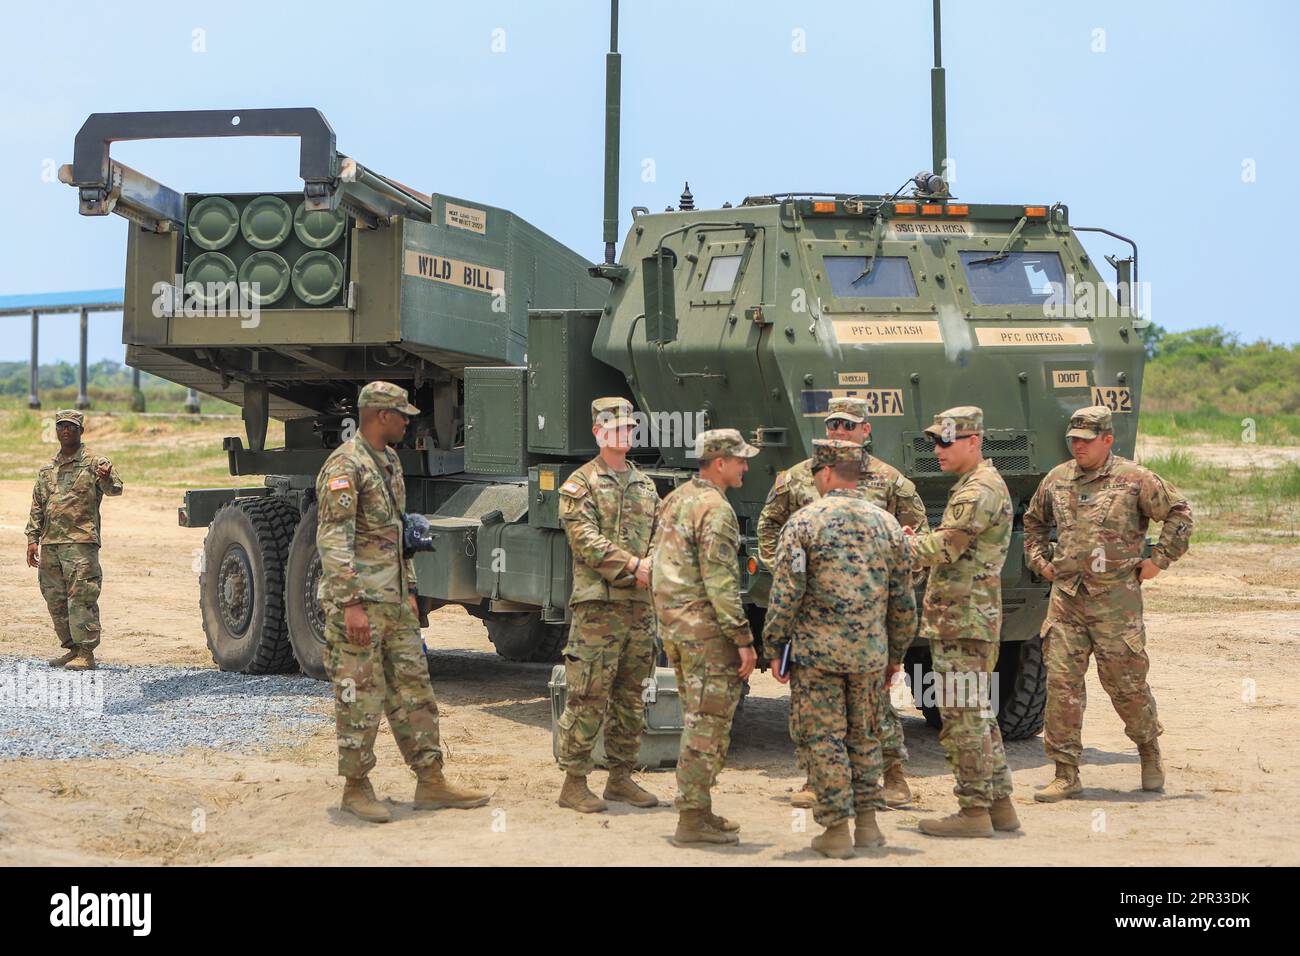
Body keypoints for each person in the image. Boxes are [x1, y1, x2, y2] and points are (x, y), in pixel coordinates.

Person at [316, 381, 487, 823]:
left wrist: (410, 591)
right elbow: (334, 541)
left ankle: (430, 780)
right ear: (379, 416)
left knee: (415, 688)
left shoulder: (389, 461)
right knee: (361, 695)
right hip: (358, 605)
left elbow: (398, 535)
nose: (409, 422)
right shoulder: (345, 466)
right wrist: (351, 603)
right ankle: (356, 788)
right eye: (402, 415)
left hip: (393, 602)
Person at [757, 396, 928, 808]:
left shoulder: (891, 481)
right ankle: (819, 779)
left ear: (866, 431)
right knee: (814, 706)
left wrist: (894, 586)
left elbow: (918, 539)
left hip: (869, 616)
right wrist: (785, 572)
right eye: (834, 424)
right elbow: (769, 526)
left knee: (875, 705)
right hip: (815, 615)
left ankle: (893, 775)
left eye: (850, 426)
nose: (840, 431)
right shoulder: (799, 477)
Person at [1023, 405, 1193, 800]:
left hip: (1116, 603)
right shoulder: (1057, 479)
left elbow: (1180, 513)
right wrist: (1040, 562)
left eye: (1086, 440)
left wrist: (1159, 560)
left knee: (1126, 686)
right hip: (1066, 601)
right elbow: (1033, 523)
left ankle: (1148, 749)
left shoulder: (1134, 479)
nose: (1078, 446)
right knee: (1062, 685)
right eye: (1074, 440)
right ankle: (1066, 773)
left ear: (1107, 440)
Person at [905, 406, 1019, 838]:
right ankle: (1000, 805)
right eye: (935, 441)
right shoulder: (978, 485)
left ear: (973, 442)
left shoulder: (977, 491)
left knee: (961, 716)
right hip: (967, 616)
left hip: (962, 619)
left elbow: (946, 547)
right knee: (978, 713)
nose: (937, 449)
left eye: (946, 442)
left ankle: (973, 812)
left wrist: (899, 544)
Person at [651, 428, 759, 848]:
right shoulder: (716, 510)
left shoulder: (676, 498)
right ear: (720, 463)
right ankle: (691, 819)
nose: (746, 466)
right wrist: (743, 638)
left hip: (677, 629)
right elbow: (721, 583)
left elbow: (657, 565)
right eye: (740, 460)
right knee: (707, 725)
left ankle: (701, 809)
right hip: (706, 633)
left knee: (699, 719)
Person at [555, 397, 662, 813]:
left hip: (639, 608)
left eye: (629, 428)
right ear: (598, 433)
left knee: (631, 696)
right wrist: (634, 566)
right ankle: (574, 782)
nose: (624, 434)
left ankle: (621, 778)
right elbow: (584, 541)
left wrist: (652, 564)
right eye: (615, 427)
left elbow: (659, 533)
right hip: (598, 608)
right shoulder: (580, 484)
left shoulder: (646, 485)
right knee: (587, 694)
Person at [25, 409, 122, 671]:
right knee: (54, 597)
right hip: (51, 545)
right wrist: (32, 538)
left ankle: (86, 653)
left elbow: (115, 489)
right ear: (56, 431)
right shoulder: (48, 469)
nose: (65, 430)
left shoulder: (95, 463)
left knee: (81, 596)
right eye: (61, 426)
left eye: (71, 426)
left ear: (81, 430)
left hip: (81, 542)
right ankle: (71, 649)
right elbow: (38, 506)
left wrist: (107, 477)